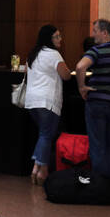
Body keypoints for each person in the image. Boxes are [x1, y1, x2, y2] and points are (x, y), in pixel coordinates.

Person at [75, 19, 110, 182]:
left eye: (95, 31)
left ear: (105, 32)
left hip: (98, 102)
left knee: (97, 147)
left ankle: (99, 185)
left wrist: (81, 87)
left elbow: (80, 67)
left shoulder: (96, 51)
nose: (93, 35)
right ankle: (109, 185)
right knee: (108, 146)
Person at [25, 24, 72, 185]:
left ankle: (39, 167)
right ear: (49, 38)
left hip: (31, 102)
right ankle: (39, 170)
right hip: (47, 101)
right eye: (57, 36)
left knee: (44, 134)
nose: (60, 39)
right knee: (46, 135)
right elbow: (66, 75)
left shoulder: (33, 54)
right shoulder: (53, 54)